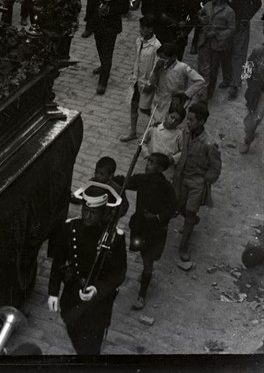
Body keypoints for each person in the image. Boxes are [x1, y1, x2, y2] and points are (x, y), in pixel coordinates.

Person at [47, 182, 127, 355]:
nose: (88, 216)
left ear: (103, 213)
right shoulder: (70, 227)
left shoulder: (114, 237)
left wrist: (97, 289)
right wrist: (53, 292)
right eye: (85, 210)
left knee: (90, 348)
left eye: (93, 213)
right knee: (75, 334)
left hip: (97, 305)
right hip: (72, 297)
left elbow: (119, 274)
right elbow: (59, 261)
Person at [115, 152, 177, 311]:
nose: (147, 165)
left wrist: (156, 217)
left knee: (148, 261)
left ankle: (142, 294)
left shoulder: (166, 187)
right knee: (141, 252)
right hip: (140, 228)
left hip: (155, 232)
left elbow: (173, 210)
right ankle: (145, 276)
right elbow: (126, 182)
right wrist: (110, 178)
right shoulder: (142, 180)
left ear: (160, 168)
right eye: (148, 161)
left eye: (151, 162)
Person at [173, 102, 222, 262]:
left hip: (196, 183)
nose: (188, 123)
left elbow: (215, 168)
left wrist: (204, 181)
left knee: (190, 212)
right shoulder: (186, 133)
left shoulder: (209, 143)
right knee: (179, 205)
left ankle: (183, 247)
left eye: (191, 120)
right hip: (181, 177)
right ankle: (192, 219)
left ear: (201, 121)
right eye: (187, 119)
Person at [146, 43, 207, 123]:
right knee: (154, 125)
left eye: (165, 58)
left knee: (169, 124)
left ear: (173, 57)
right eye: (160, 57)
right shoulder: (159, 65)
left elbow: (200, 81)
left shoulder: (182, 67)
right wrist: (155, 70)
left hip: (174, 103)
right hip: (159, 101)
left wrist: (186, 94)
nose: (162, 60)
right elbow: (152, 82)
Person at [121, 17, 160, 142]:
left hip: (147, 82)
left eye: (143, 28)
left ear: (151, 29)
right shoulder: (139, 41)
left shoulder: (156, 46)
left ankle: (151, 134)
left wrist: (151, 83)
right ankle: (133, 132)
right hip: (136, 80)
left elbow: (156, 67)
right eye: (140, 27)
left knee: (146, 109)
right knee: (134, 104)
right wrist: (133, 72)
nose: (140, 30)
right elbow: (137, 59)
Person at [229, 0, 262, 100]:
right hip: (225, 21)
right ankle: (227, 78)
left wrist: (246, 17)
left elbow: (257, 2)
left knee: (239, 53)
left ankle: (235, 84)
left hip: (240, 22)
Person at [195, 0, 235, 99]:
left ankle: (208, 94)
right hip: (204, 42)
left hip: (217, 45)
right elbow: (199, 13)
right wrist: (201, 18)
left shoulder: (229, 12)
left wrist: (217, 34)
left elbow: (232, 29)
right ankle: (201, 91)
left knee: (213, 70)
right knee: (202, 69)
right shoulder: (208, 5)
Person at [144, 102, 187, 174]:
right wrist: (147, 154)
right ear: (167, 114)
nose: (173, 121)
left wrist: (172, 159)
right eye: (172, 117)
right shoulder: (155, 127)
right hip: (152, 165)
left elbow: (183, 151)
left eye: (177, 120)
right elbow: (142, 141)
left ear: (180, 122)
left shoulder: (179, 134)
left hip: (167, 168)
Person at [241, 30, 264, 154]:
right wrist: (251, 84)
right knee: (253, 119)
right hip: (257, 92)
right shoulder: (258, 51)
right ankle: (247, 139)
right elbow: (247, 68)